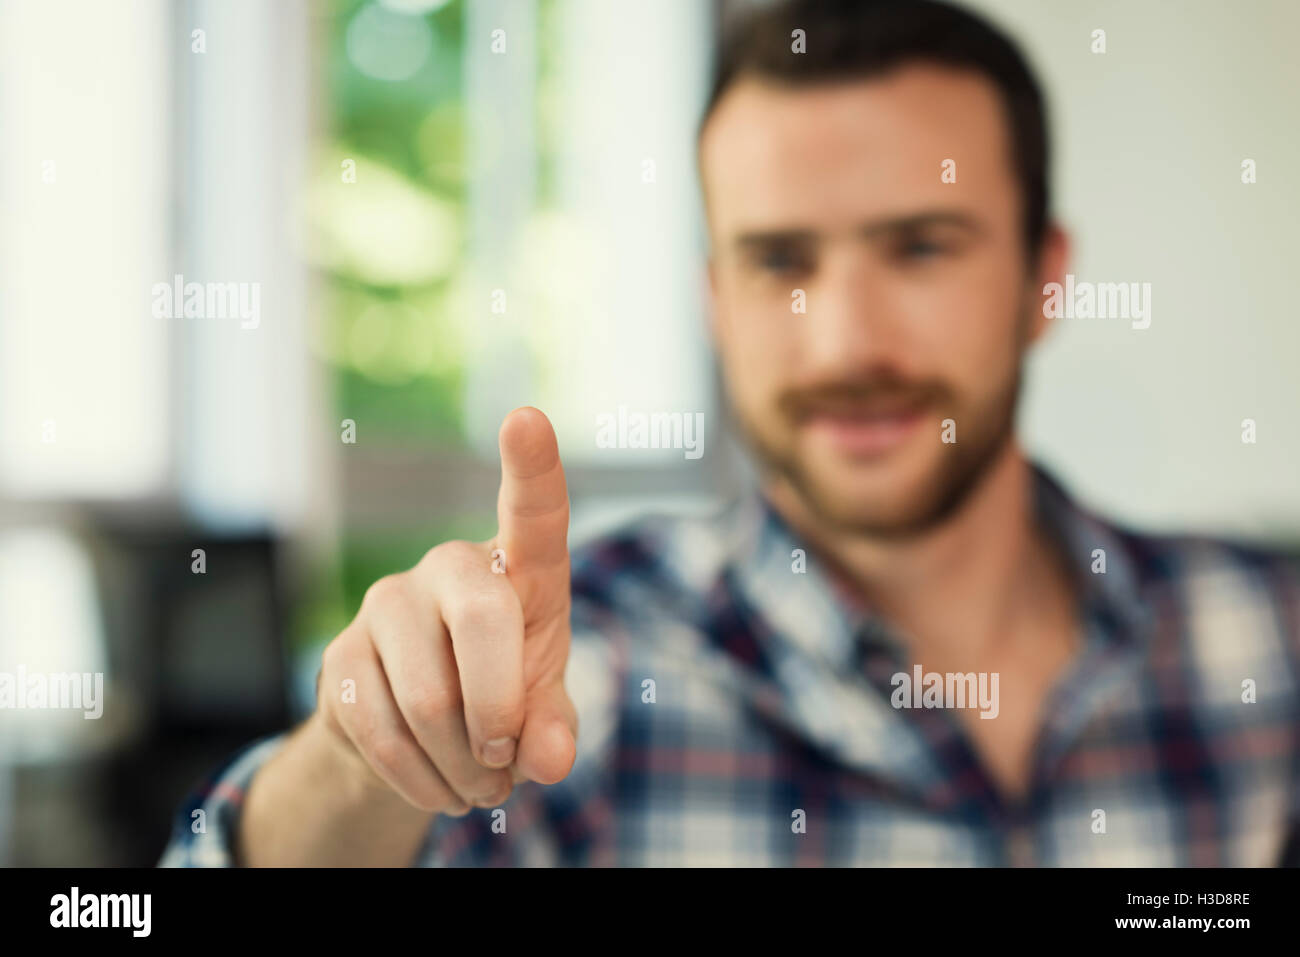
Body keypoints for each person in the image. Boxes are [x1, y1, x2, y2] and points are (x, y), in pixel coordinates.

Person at [161, 0, 1300, 867]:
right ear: (717, 301)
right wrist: (364, 764)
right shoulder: (576, 690)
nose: (845, 342)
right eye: (781, 262)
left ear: (1044, 280)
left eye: (920, 247)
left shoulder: (1265, 641)